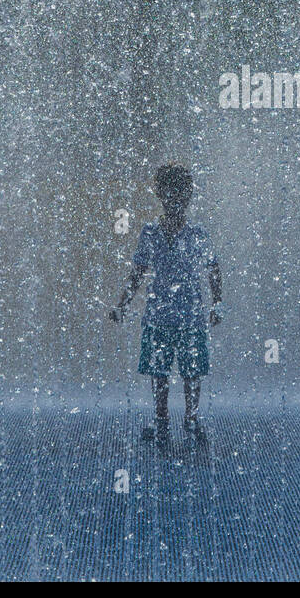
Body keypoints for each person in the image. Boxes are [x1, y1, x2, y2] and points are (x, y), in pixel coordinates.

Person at [108, 163, 223, 443]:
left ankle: (191, 418)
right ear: (161, 194)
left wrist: (217, 302)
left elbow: (213, 269)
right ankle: (163, 418)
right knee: (160, 372)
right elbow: (137, 273)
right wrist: (122, 304)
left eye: (180, 195)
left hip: (189, 314)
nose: (175, 201)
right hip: (160, 314)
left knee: (191, 372)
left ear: (188, 198)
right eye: (170, 194)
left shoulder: (196, 234)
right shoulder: (150, 232)